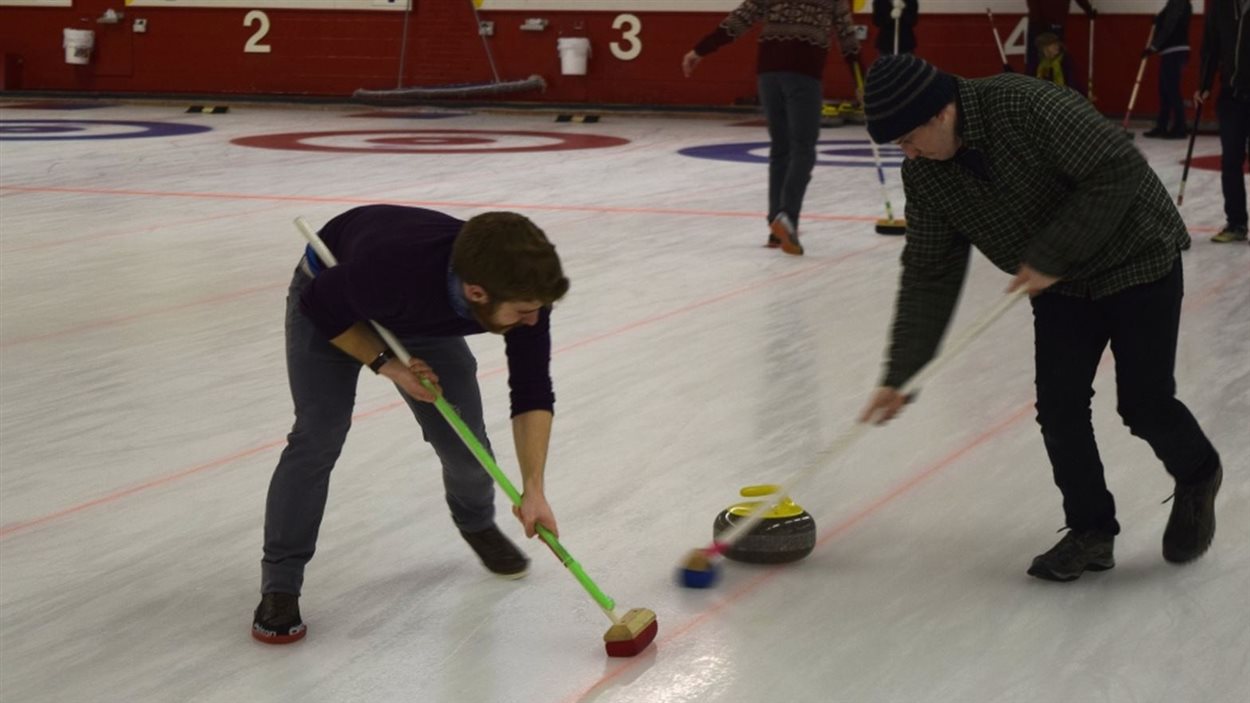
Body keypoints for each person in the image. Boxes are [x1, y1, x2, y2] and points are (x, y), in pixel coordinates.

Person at [858, 54, 1222, 582]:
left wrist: (1054, 253)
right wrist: (901, 373)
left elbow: (1116, 168)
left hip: (1136, 255)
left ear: (941, 113)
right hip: (1061, 284)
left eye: (909, 139)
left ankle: (1198, 473)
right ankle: (1091, 531)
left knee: (1144, 404)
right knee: (1059, 407)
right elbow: (928, 274)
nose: (906, 154)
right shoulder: (927, 176)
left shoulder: (1024, 105)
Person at [253, 205, 570, 644]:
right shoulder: (394, 268)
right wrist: (386, 363)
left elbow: (532, 390)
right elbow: (321, 305)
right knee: (318, 434)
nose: (533, 321)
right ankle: (281, 584)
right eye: (522, 313)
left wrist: (534, 487)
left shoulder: (525, 291)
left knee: (466, 446)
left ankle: (476, 522)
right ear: (477, 292)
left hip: (417, 314)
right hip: (331, 296)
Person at [682, 0, 861, 256]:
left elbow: (739, 20)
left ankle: (775, 227)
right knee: (803, 149)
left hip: (769, 74)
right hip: (803, 72)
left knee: (781, 149)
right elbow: (848, 39)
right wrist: (860, 81)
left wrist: (700, 50)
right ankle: (787, 219)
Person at [1196, 0, 1250, 244]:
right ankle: (1236, 223)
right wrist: (1204, 85)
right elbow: (1210, 47)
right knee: (1230, 161)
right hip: (1231, 96)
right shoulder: (1221, 7)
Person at [1143, 0, 1192, 139]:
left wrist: (1153, 47)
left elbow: (1169, 26)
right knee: (1165, 91)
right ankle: (1162, 125)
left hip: (1175, 51)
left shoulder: (1179, 3)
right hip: (1169, 52)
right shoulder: (1174, 3)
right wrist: (1158, 19)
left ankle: (1180, 128)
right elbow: (1165, 20)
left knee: (1171, 91)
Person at [1025, 0, 1097, 76]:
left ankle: (1030, 85)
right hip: (1056, 21)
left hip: (1038, 24)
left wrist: (1037, 20)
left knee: (1034, 62)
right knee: (1056, 63)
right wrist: (1089, 11)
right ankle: (1052, 85)